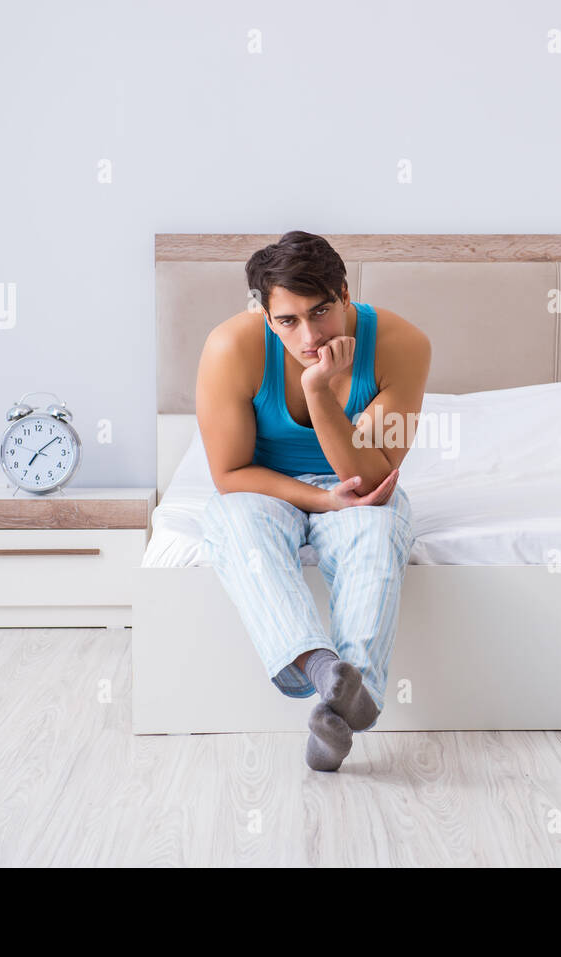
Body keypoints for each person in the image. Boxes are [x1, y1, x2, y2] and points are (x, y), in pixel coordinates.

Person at [194, 230, 432, 771]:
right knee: (237, 527)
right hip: (261, 483)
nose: (308, 336)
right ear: (265, 315)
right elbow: (230, 473)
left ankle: (335, 713)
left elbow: (371, 478)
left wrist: (319, 393)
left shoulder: (402, 343)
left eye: (321, 311)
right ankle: (329, 673)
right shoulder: (230, 347)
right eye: (288, 321)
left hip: (357, 486)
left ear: (345, 293)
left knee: (377, 530)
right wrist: (320, 502)